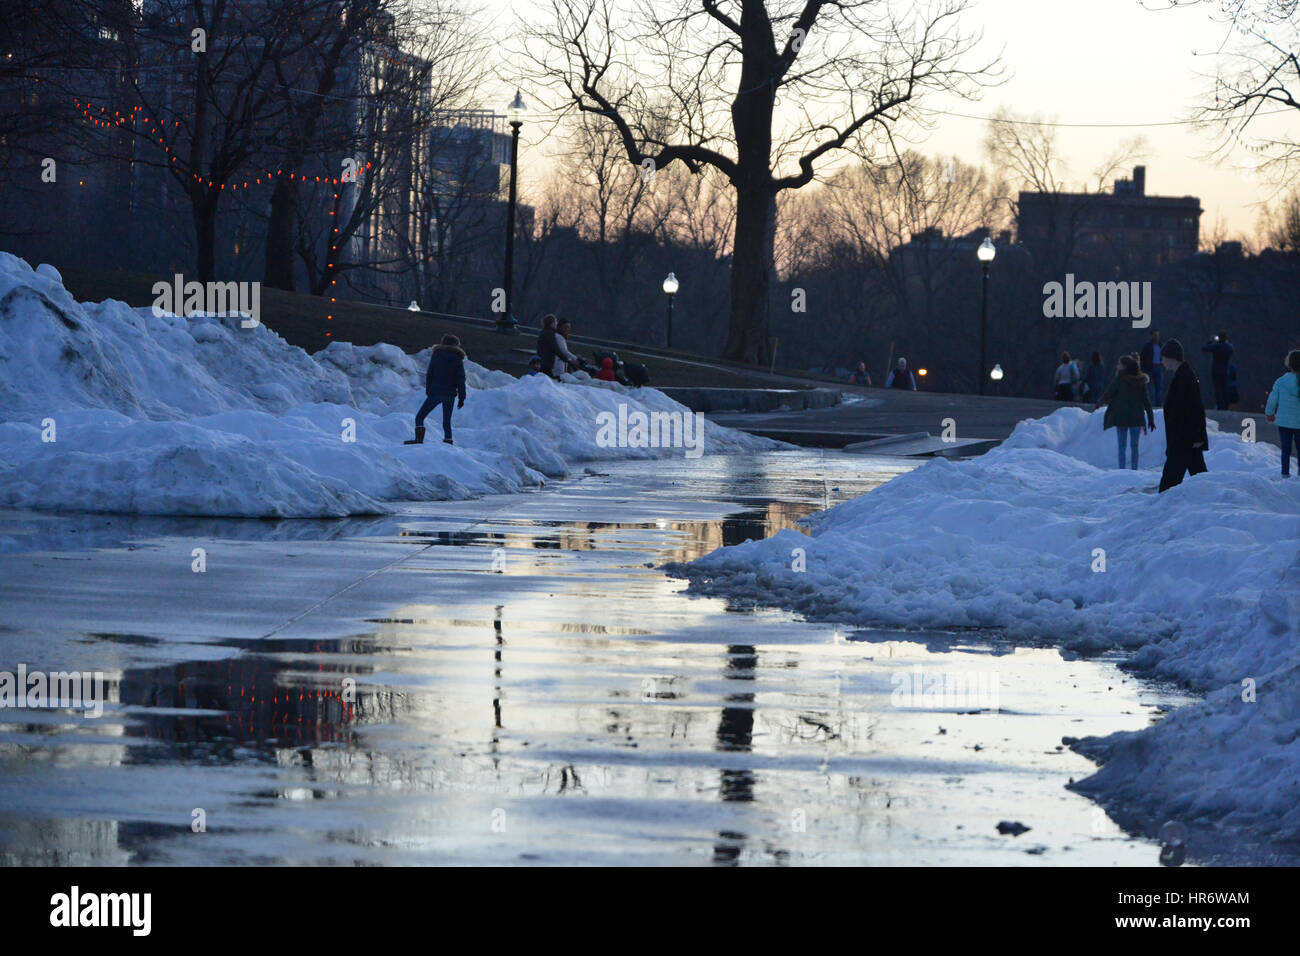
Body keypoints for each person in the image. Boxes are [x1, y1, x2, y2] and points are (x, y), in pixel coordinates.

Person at [1158, 339, 1208, 492]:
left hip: (1183, 440)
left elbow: (1195, 408)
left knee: (1167, 487)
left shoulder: (1185, 377)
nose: (1162, 362)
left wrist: (1198, 436)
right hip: (1184, 439)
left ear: (1171, 357)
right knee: (1201, 481)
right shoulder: (1182, 376)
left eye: (1163, 358)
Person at [1096, 353, 1155, 470]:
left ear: (1125, 367)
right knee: (1135, 446)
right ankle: (1134, 470)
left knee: (1121, 446)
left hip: (1121, 418)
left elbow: (1109, 393)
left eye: (1119, 364)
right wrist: (1151, 419)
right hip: (1136, 418)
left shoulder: (1119, 380)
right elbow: (1146, 401)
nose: (1117, 366)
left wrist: (1100, 402)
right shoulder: (1140, 382)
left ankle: (1122, 470)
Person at [405, 333, 466, 445]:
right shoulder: (458, 360)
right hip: (450, 395)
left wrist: (428, 390)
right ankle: (448, 441)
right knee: (446, 421)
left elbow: (430, 374)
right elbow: (461, 380)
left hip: (436, 392)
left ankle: (419, 439)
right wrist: (462, 398)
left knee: (420, 417)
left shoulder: (437, 355)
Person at [1264, 349, 1300, 477]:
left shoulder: (1281, 381)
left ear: (1289, 364)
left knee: (1286, 450)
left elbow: (1272, 400)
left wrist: (1269, 413)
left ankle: (1285, 473)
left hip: (1284, 422)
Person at [1201, 330, 1234, 410]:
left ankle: (1220, 405)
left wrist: (1210, 341)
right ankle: (1225, 406)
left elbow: (1204, 349)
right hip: (1225, 370)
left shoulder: (1216, 346)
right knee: (1224, 388)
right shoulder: (1228, 347)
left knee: (1217, 389)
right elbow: (1231, 348)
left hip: (1216, 370)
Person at [1139, 331, 1163, 406]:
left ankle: (1158, 405)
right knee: (1149, 389)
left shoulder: (1161, 346)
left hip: (1159, 367)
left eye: (1158, 335)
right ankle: (1150, 405)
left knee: (1159, 388)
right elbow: (1142, 358)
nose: (1156, 337)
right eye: (1155, 335)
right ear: (1151, 336)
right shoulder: (1147, 346)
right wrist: (1143, 369)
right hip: (1150, 369)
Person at [536, 314, 559, 379]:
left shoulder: (543, 332)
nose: (556, 324)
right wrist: (565, 358)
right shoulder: (550, 334)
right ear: (551, 323)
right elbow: (555, 348)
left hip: (543, 360)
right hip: (547, 361)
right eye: (555, 322)